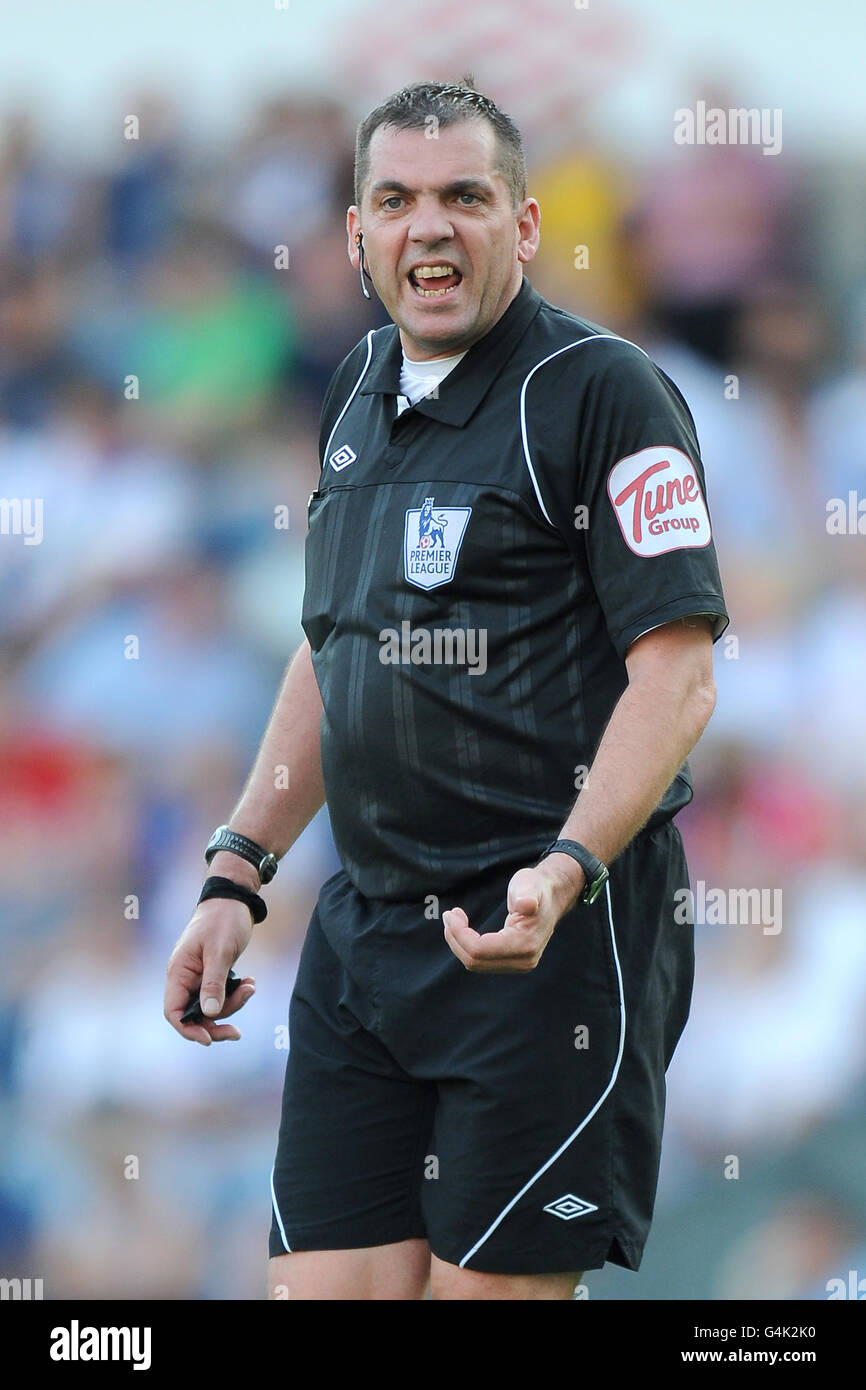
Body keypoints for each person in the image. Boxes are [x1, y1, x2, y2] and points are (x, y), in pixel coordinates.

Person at [164, 76, 729, 1301]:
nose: (430, 227)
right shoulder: (356, 387)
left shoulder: (601, 392)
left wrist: (567, 868)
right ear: (357, 235)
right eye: (396, 200)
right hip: (368, 936)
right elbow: (335, 647)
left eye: (465, 197)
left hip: (545, 943)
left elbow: (677, 680)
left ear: (521, 226)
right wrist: (236, 868)